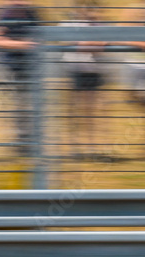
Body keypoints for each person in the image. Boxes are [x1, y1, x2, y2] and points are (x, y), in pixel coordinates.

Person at [0, 0, 43, 156]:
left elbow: (43, 35)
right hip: (10, 65)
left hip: (31, 65)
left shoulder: (32, 12)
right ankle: (19, 142)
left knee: (30, 106)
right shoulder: (1, 12)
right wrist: (19, 45)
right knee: (17, 106)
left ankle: (28, 142)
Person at [59, 2, 107, 159]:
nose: (90, 11)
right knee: (73, 110)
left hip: (93, 71)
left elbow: (102, 47)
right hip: (74, 71)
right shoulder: (69, 24)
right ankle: (74, 146)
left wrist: (85, 43)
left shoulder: (99, 25)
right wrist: (90, 43)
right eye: (86, 7)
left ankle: (91, 146)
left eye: (93, 8)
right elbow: (70, 44)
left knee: (90, 112)